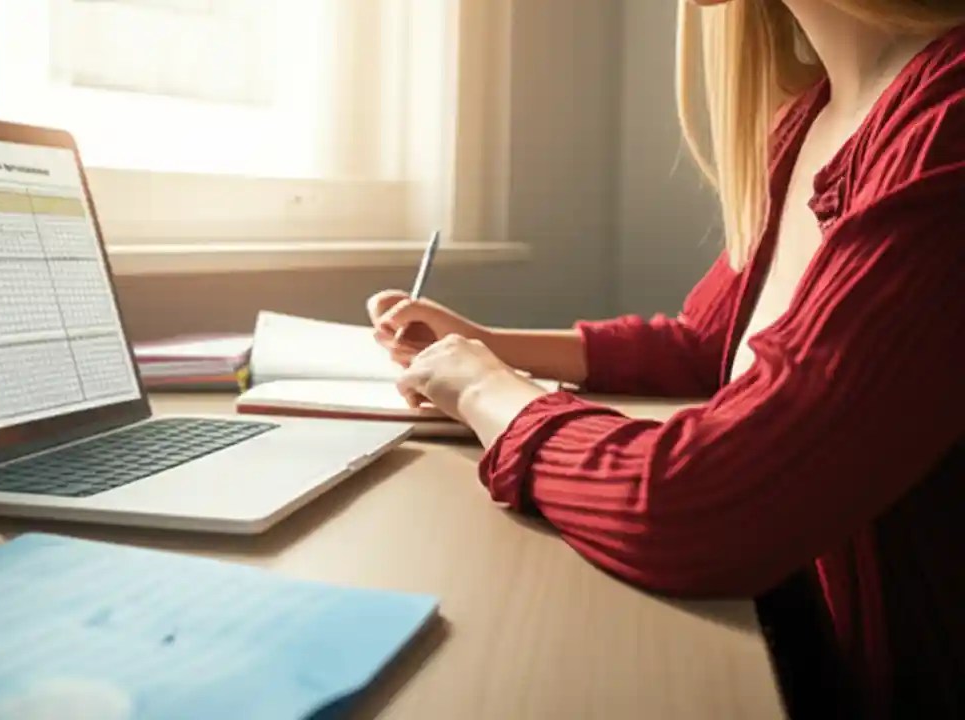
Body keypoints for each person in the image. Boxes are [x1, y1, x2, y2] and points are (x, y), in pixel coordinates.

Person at [367, 1, 965, 717]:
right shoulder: (812, 119)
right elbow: (708, 342)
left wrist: (489, 395)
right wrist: (487, 345)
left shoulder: (949, 119)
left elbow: (707, 502)